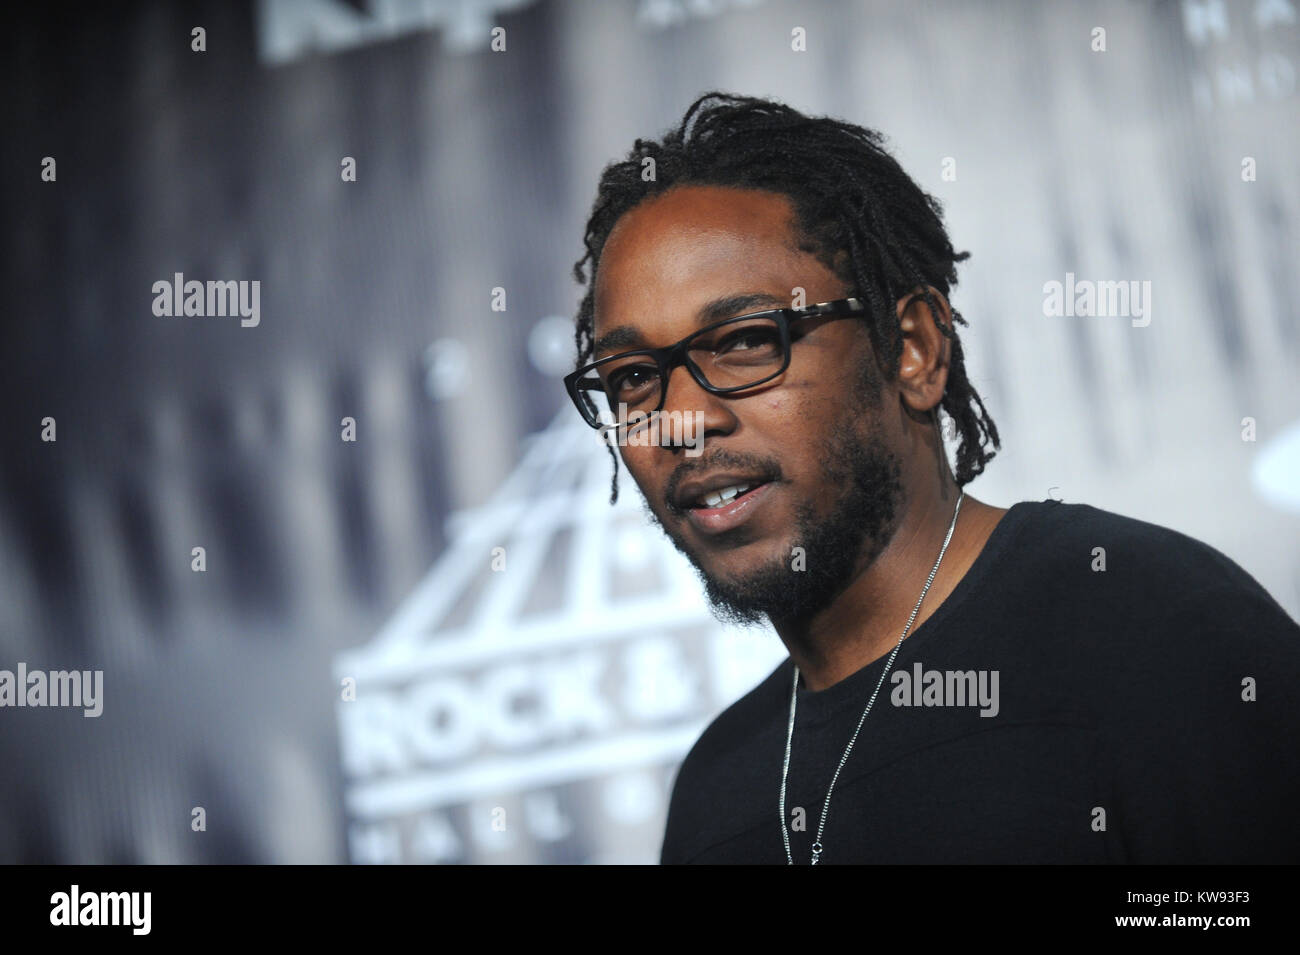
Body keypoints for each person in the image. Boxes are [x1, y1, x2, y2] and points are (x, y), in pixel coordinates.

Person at [562, 92, 1300, 864]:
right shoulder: (719, 793)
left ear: (912, 348)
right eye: (634, 378)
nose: (680, 418)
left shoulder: (1152, 633)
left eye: (746, 341)